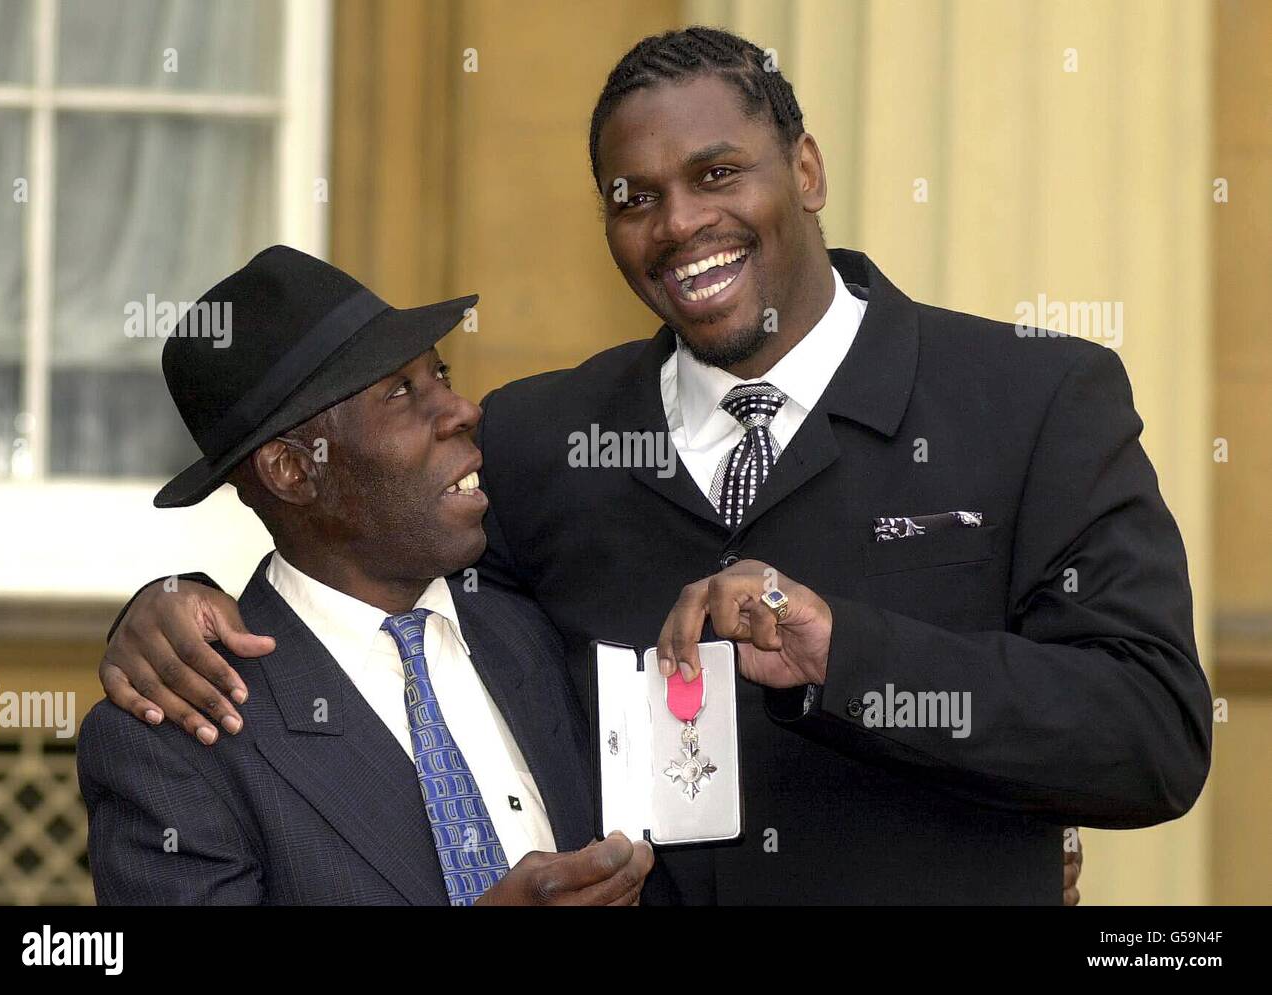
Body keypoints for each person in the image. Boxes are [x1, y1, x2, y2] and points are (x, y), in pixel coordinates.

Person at [96, 27, 1206, 904]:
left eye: (717, 171)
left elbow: (1152, 733)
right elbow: (365, 576)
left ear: (806, 169)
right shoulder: (535, 439)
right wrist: (164, 604)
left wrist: (847, 654)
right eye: (634, 200)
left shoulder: (1032, 398)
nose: (680, 225)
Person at [78, 246, 654, 905]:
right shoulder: (173, 747)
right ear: (293, 469)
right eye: (401, 393)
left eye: (439, 373)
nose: (462, 409)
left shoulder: (529, 631)